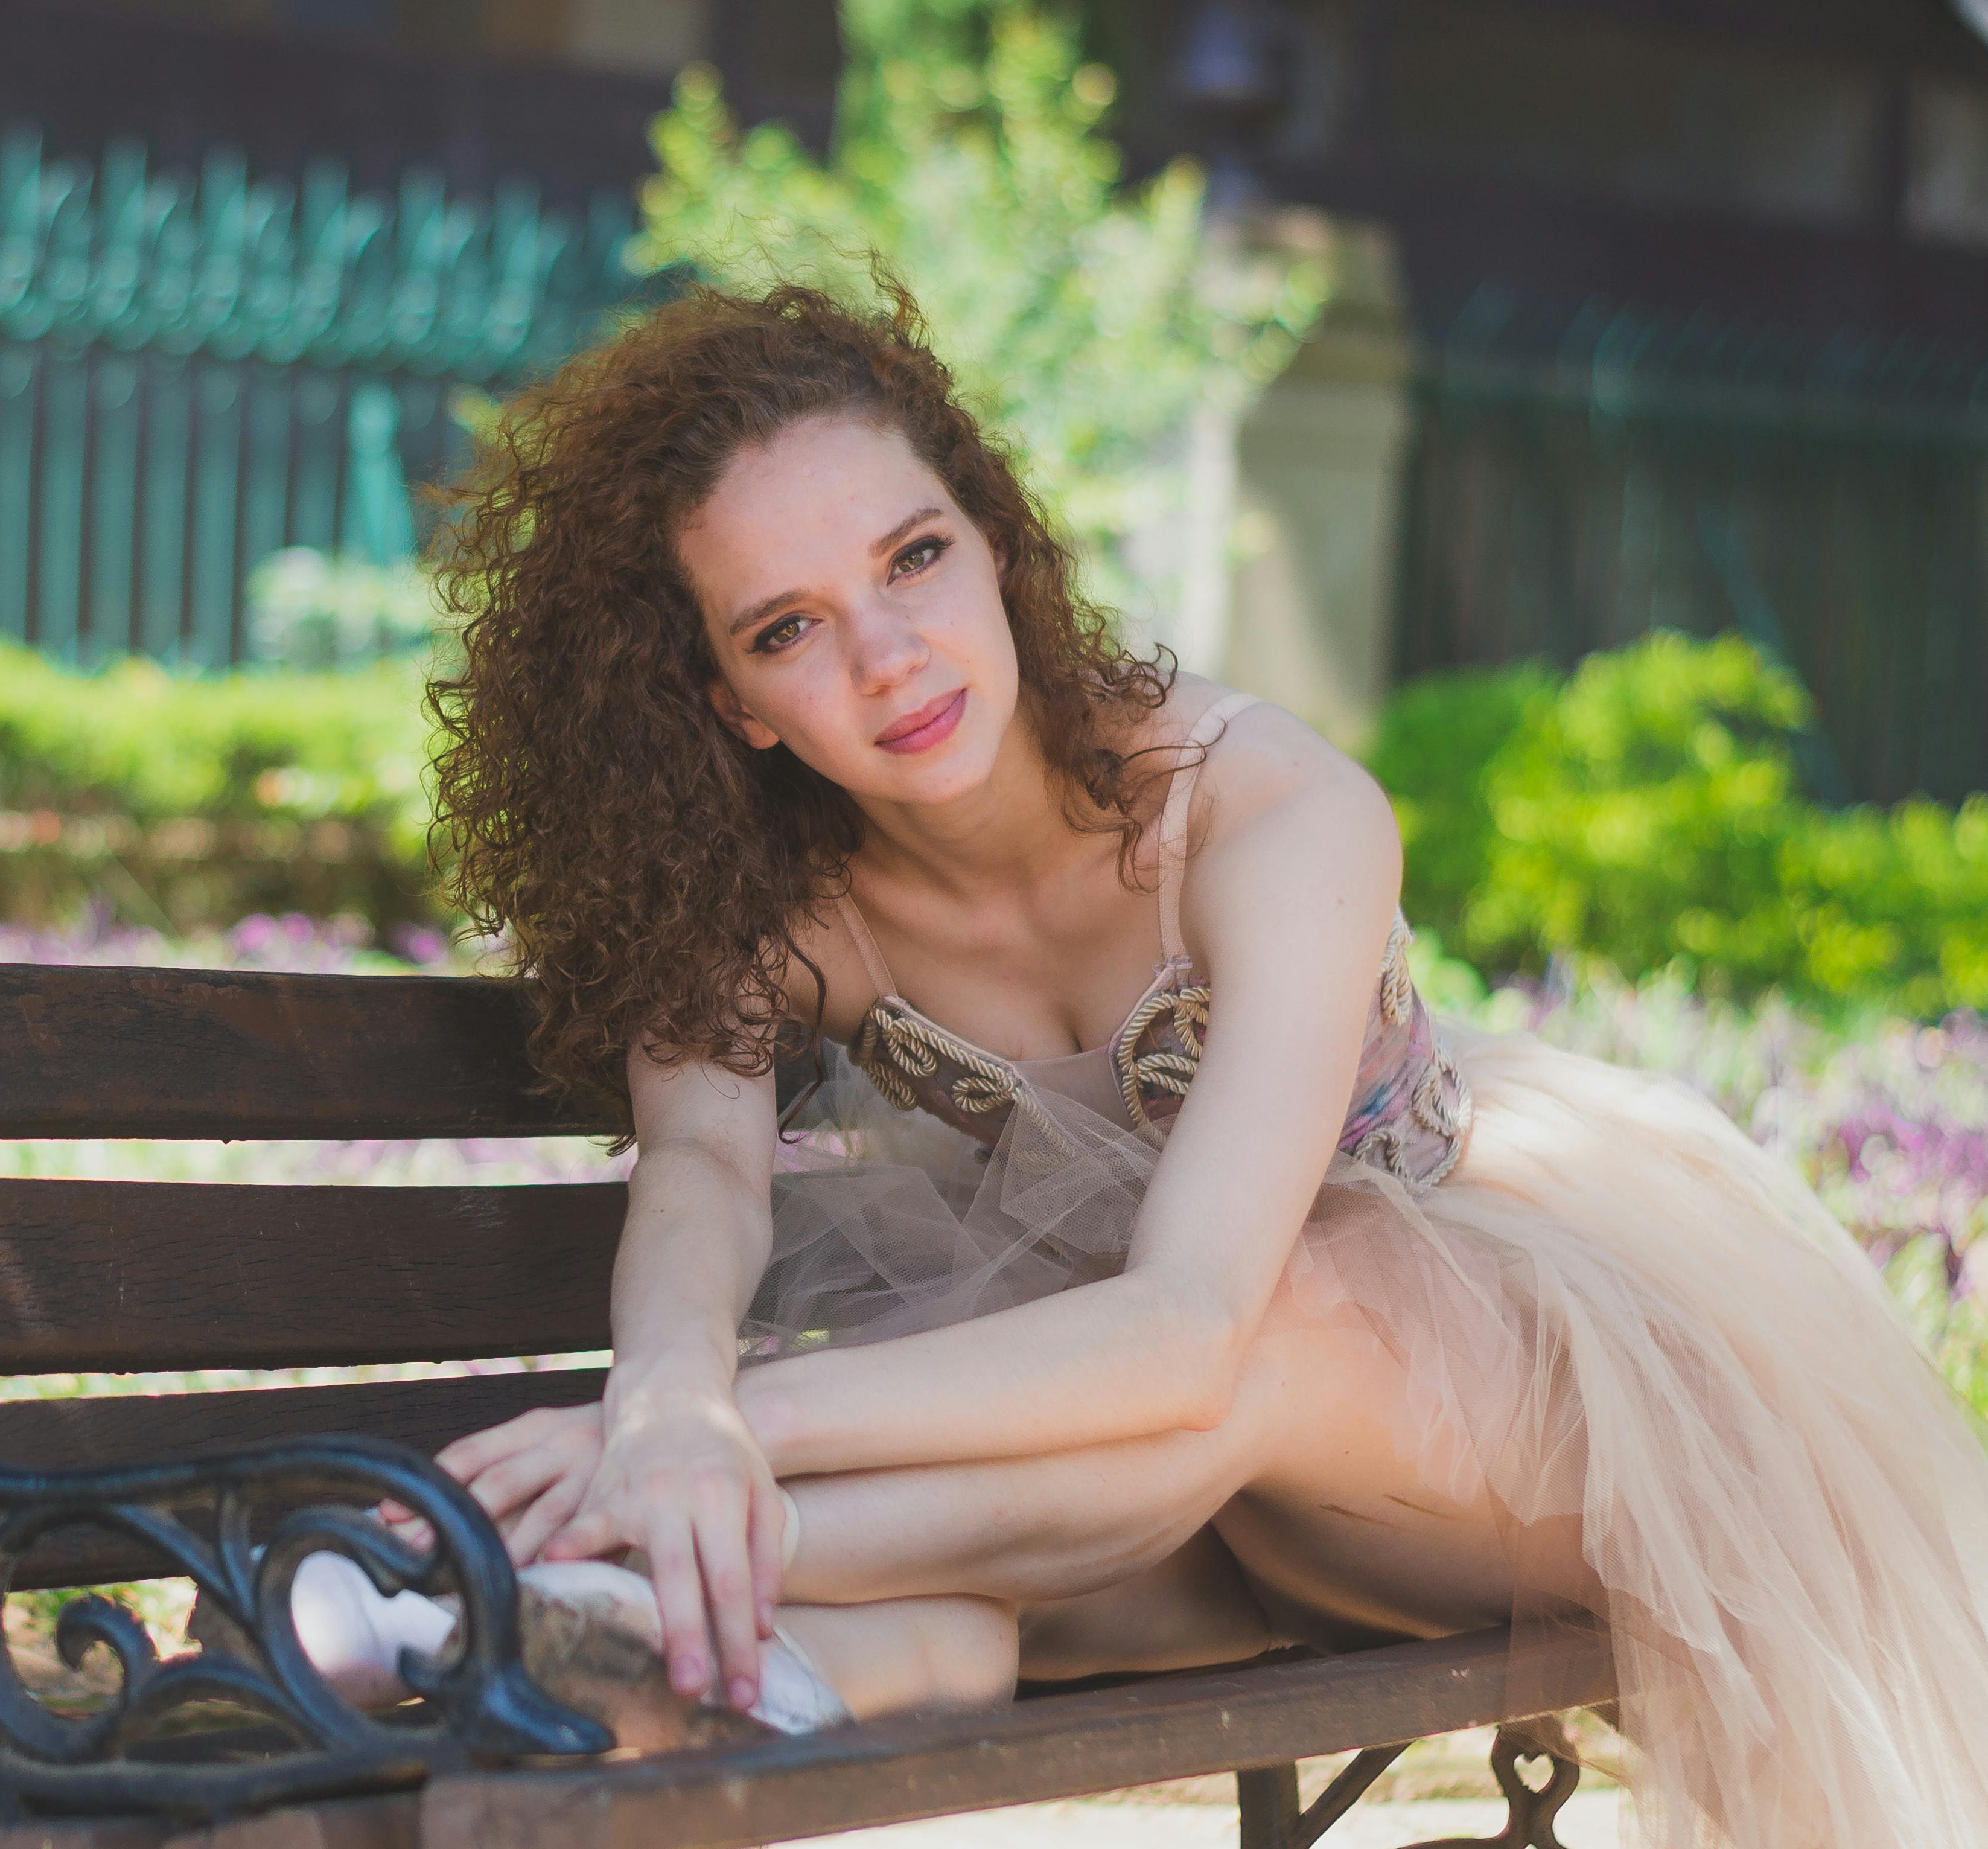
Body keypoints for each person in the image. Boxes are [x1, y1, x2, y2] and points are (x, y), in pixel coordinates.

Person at [297, 281, 1988, 1846]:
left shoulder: (1261, 810)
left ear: (993, 541)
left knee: (1280, 1318)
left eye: (911, 559)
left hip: (1524, 1436)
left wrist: (681, 1438)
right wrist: (663, 1396)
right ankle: (634, 1637)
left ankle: (519, 1586)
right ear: (727, 701)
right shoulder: (766, 911)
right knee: (950, 1628)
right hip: (1155, 1510)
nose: (889, 659)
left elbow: (1185, 1324)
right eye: (785, 630)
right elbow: (700, 1170)